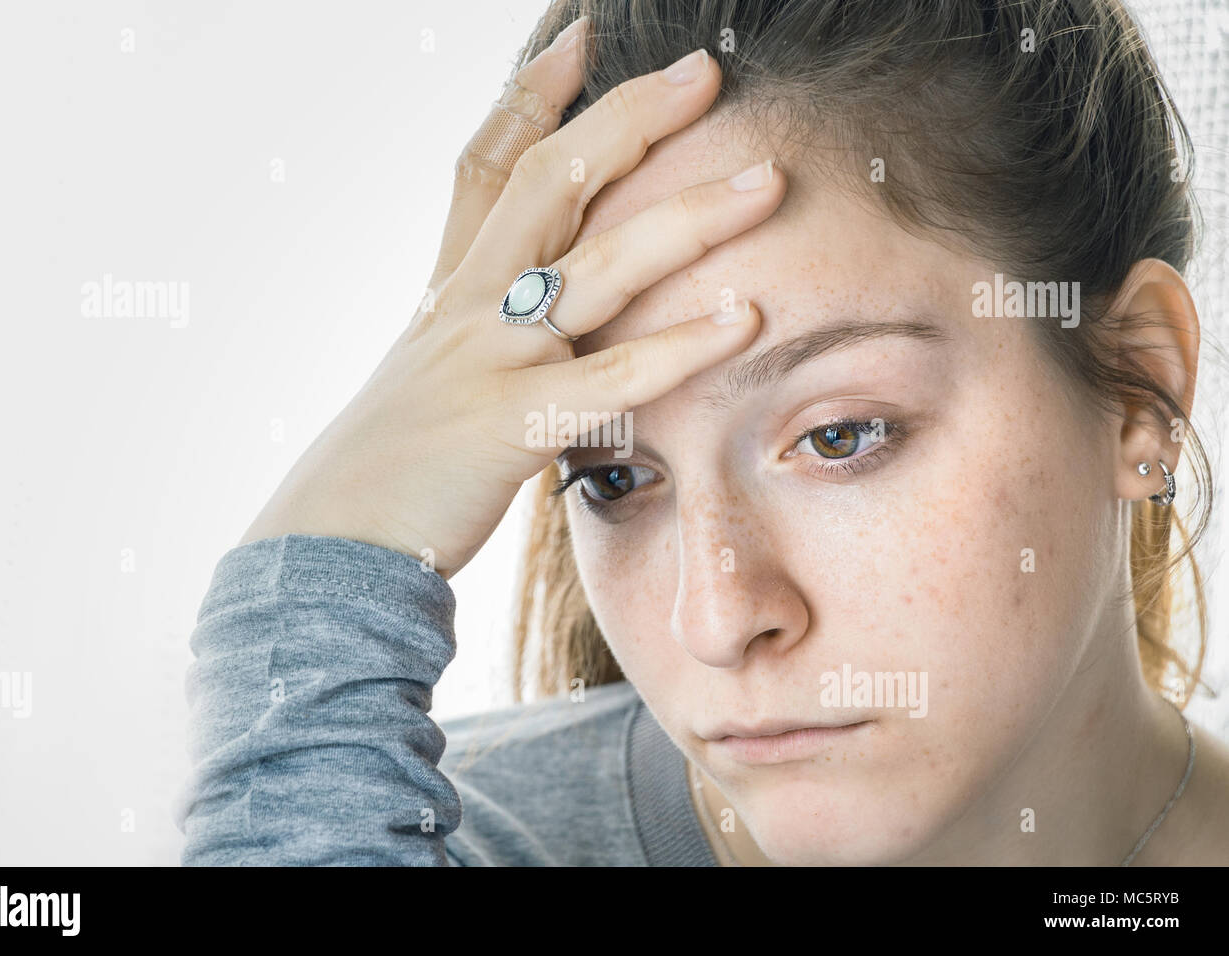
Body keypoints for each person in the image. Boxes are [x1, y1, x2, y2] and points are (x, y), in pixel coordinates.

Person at [176, 0, 1229, 865]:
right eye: (616, 475)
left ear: (1140, 387)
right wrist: (329, 550)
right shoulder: (406, 830)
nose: (717, 620)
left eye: (838, 436)